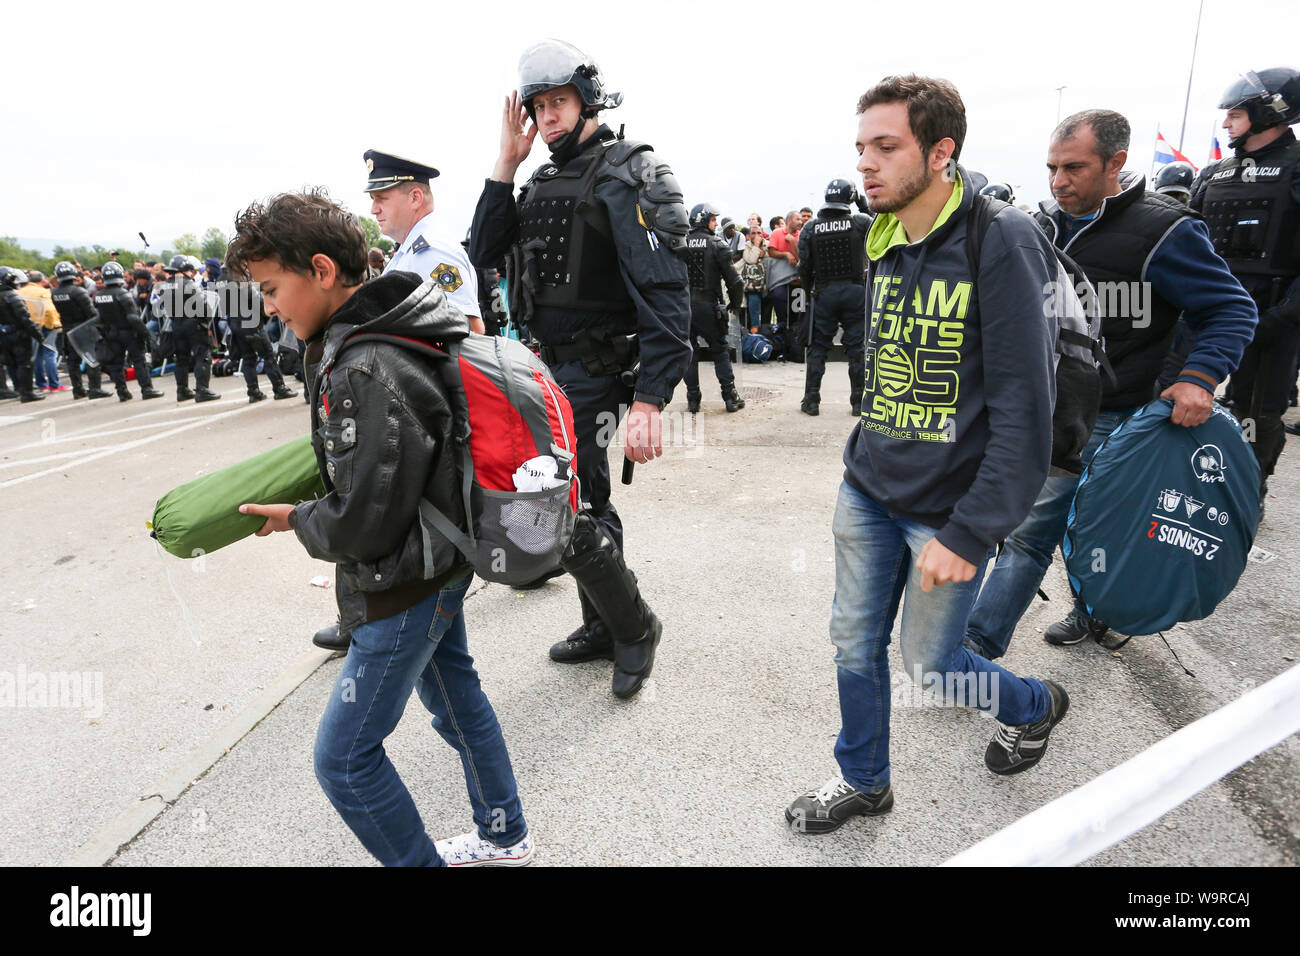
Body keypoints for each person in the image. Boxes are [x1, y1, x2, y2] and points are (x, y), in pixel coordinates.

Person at [786, 75, 1072, 835]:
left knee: (933, 667)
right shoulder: (883, 235)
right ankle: (864, 780)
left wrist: (971, 530)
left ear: (940, 151)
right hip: (868, 488)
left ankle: (1035, 706)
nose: (866, 165)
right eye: (861, 148)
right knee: (853, 643)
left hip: (946, 513)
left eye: (887, 147)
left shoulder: (1002, 238)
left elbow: (1024, 409)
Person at [229, 188, 532, 867]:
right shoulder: (398, 321)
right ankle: (504, 834)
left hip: (404, 581)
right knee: (458, 702)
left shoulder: (366, 363)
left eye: (274, 289)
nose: (271, 308)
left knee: (344, 760)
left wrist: (296, 519)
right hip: (441, 556)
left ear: (323, 271)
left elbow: (365, 520)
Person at [964, 109, 1256, 659]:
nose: (1057, 182)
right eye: (1051, 167)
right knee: (1026, 533)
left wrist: (1198, 377)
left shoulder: (1164, 230)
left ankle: (1091, 608)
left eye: (1073, 168)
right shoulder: (1038, 226)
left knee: (1104, 527)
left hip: (1119, 418)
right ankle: (977, 646)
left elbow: (1232, 309)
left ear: (1115, 163)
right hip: (1042, 414)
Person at [468, 39, 691, 698]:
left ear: (587, 99)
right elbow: (485, 249)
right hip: (546, 368)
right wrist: (505, 164)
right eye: (538, 108)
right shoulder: (537, 179)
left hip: (598, 369)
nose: (547, 118)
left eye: (558, 102)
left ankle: (632, 630)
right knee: (560, 497)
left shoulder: (632, 173)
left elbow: (665, 291)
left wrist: (651, 400)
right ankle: (604, 623)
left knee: (578, 499)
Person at [1191, 69, 1300, 495]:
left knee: (1261, 410)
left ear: (1271, 110)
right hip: (1210, 309)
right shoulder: (1214, 173)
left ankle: (1248, 488)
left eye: (1235, 114)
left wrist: (1283, 316)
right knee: (1199, 396)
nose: (1225, 123)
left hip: (1274, 313)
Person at [363, 149, 484, 334]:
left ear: (415, 198)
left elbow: (469, 330)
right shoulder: (411, 249)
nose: (374, 209)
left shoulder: (434, 251)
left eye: (381, 199)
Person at [797, 179, 871, 416]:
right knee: (857, 348)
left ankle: (811, 401)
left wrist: (812, 291)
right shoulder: (860, 222)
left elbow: (804, 266)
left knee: (818, 348)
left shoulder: (811, 227)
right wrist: (864, 204)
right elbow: (885, 229)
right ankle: (858, 402)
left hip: (825, 292)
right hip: (855, 291)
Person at [683, 202, 746, 413]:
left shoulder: (679, 242)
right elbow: (736, 282)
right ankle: (730, 397)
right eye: (713, 219)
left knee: (689, 354)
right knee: (719, 351)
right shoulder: (717, 244)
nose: (716, 223)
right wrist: (734, 306)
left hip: (683, 308)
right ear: (703, 220)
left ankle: (693, 399)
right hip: (708, 306)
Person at [217, 269, 298, 403]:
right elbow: (257, 300)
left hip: (235, 326)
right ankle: (279, 388)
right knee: (268, 356)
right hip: (251, 324)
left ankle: (253, 392)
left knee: (248, 359)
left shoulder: (221, 280)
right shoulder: (240, 278)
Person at [94, 262, 165, 401]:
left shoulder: (98, 296)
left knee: (116, 364)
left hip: (111, 333)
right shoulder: (123, 294)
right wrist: (145, 333)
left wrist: (105, 333)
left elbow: (97, 319)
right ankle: (147, 389)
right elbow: (133, 318)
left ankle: (122, 392)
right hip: (128, 332)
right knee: (139, 361)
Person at [158, 254, 220, 402]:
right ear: (184, 269)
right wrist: (206, 321)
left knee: (181, 359)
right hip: (193, 325)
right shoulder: (188, 284)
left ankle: (182, 390)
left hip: (176, 325)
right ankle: (202, 390)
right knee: (203, 356)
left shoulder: (164, 286)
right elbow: (203, 307)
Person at [51, 260, 110, 398]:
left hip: (67, 329)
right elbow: (91, 312)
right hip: (83, 328)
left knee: (72, 361)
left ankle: (77, 390)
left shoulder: (54, 292)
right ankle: (95, 389)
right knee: (92, 358)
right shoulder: (78, 291)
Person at [0, 267, 46, 402]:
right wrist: (38, 335)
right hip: (18, 334)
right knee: (24, 363)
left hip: (4, 335)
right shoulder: (13, 296)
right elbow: (25, 318)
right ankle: (27, 392)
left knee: (11, 363)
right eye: (13, 278)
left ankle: (19, 388)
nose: (15, 281)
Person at [19, 271, 65, 392]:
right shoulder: (43, 292)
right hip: (45, 326)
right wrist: (54, 325)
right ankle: (54, 384)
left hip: (29, 327)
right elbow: (49, 310)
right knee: (50, 354)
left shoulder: (19, 292)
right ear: (41, 280)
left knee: (37, 356)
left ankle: (41, 384)